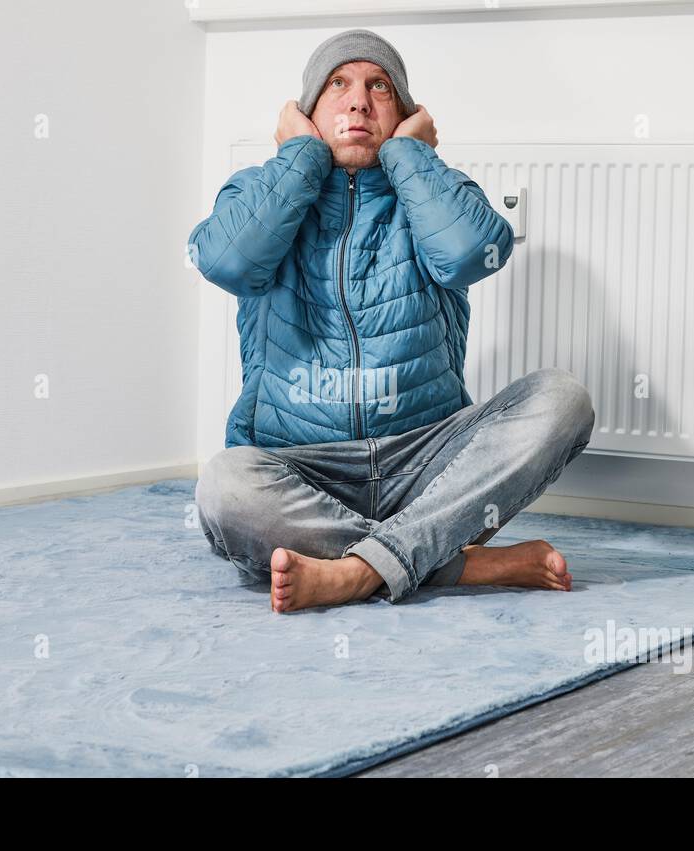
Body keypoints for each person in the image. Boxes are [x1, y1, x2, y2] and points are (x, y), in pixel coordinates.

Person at [188, 29, 595, 613]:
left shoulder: (430, 190)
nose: (358, 102)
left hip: (425, 464)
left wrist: (412, 156)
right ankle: (452, 563)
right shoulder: (261, 191)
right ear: (306, 114)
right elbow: (226, 260)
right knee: (226, 487)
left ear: (404, 115)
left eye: (379, 87)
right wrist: (299, 157)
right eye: (338, 85)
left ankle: (352, 571)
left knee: (563, 398)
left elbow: (468, 252)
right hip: (303, 467)